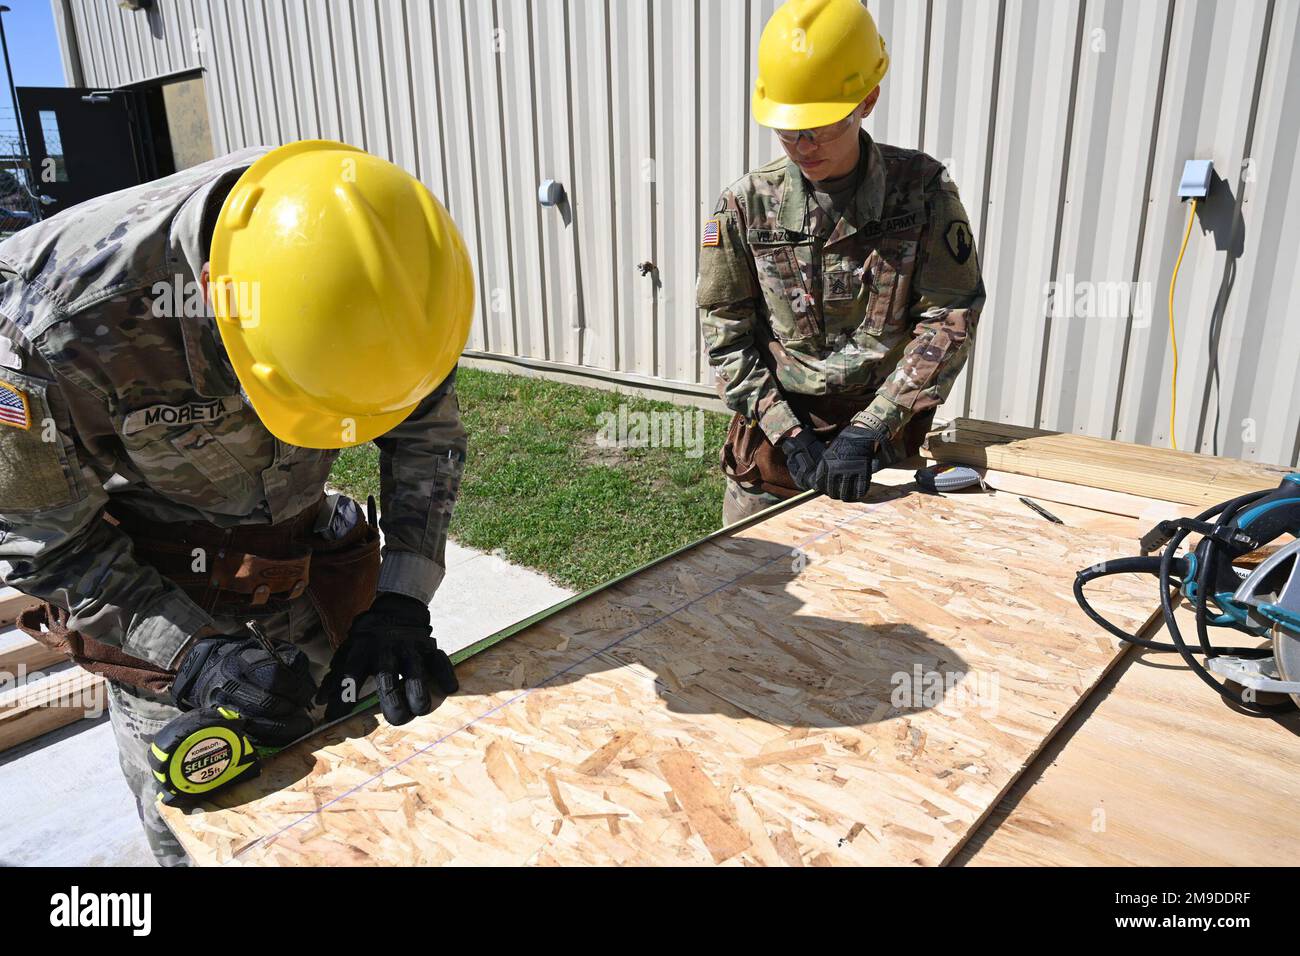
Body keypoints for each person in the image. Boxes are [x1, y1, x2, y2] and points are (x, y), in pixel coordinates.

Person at [0, 140, 474, 865]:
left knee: (351, 819)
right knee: (209, 839)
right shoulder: (51, 331)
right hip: (156, 599)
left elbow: (426, 439)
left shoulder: (386, 259)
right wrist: (195, 656)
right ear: (220, 296)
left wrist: (402, 598)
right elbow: (45, 542)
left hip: (312, 572)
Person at [697, 0, 987, 524]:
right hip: (773, 454)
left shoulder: (922, 191)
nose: (802, 146)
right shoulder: (745, 204)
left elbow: (949, 314)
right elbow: (726, 333)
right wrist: (786, 432)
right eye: (788, 130)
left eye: (820, 126)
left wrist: (871, 429)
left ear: (867, 100)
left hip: (884, 450)